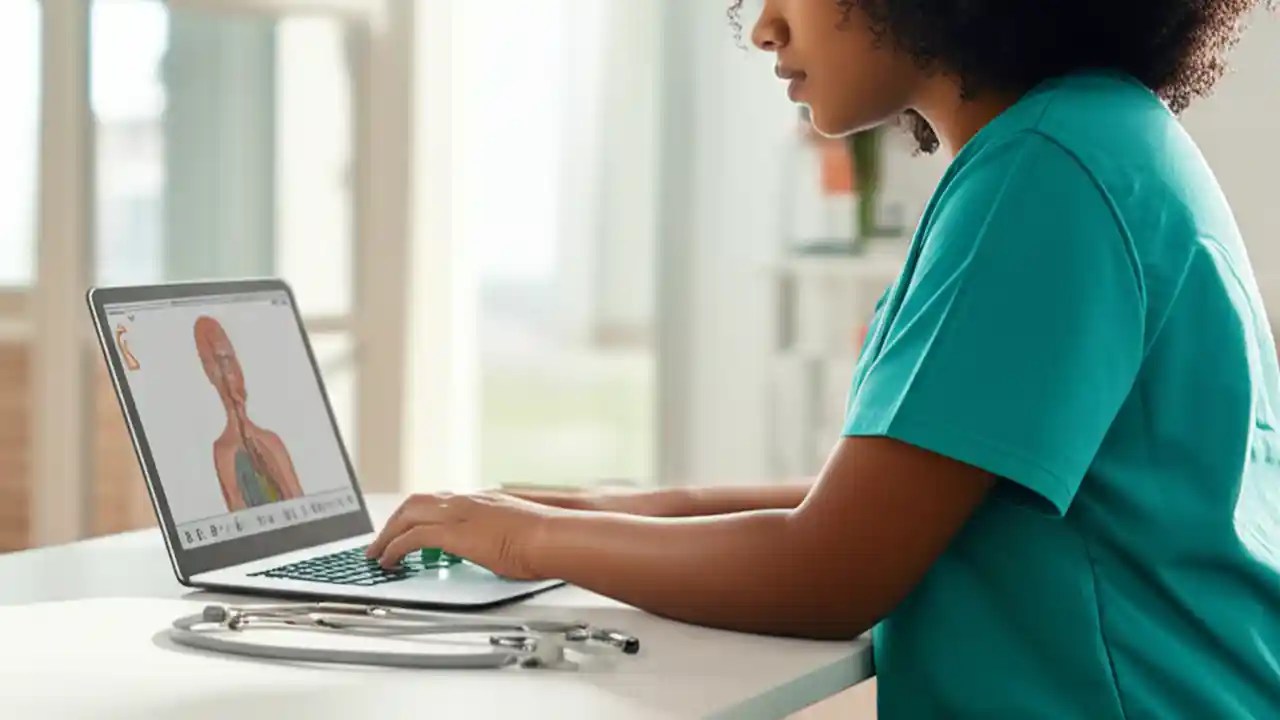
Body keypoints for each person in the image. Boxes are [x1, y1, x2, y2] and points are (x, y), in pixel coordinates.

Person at [368, 1, 1280, 716]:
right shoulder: (1093, 136)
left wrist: (528, 542)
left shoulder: (1044, 175)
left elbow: (832, 571)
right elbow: (896, 500)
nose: (763, 24)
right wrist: (626, 509)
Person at [193, 316, 304, 511]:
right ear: (209, 374)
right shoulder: (224, 451)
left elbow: (300, 504)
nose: (229, 374)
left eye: (229, 360)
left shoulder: (270, 440)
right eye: (215, 365)